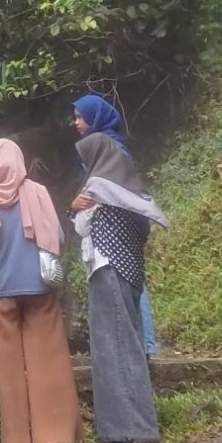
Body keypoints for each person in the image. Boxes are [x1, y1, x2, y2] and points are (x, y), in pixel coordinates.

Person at [0, 138, 82, 443]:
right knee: (49, 362)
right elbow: (58, 237)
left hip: (0, 291)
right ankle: (56, 442)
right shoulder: (38, 192)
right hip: (40, 289)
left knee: (9, 369)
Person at [71, 132, 166, 443]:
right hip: (131, 271)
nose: (84, 163)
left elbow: (82, 227)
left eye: (85, 158)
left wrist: (74, 208)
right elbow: (144, 229)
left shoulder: (96, 186)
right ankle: (142, 425)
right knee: (130, 345)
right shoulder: (129, 185)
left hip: (106, 270)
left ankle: (125, 431)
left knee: (112, 350)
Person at [72, 95, 158, 355]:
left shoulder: (110, 149)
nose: (75, 122)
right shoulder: (100, 147)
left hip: (119, 228)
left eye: (80, 117)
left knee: (129, 285)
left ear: (94, 117)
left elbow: (119, 191)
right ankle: (143, 345)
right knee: (131, 284)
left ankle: (145, 345)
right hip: (117, 227)